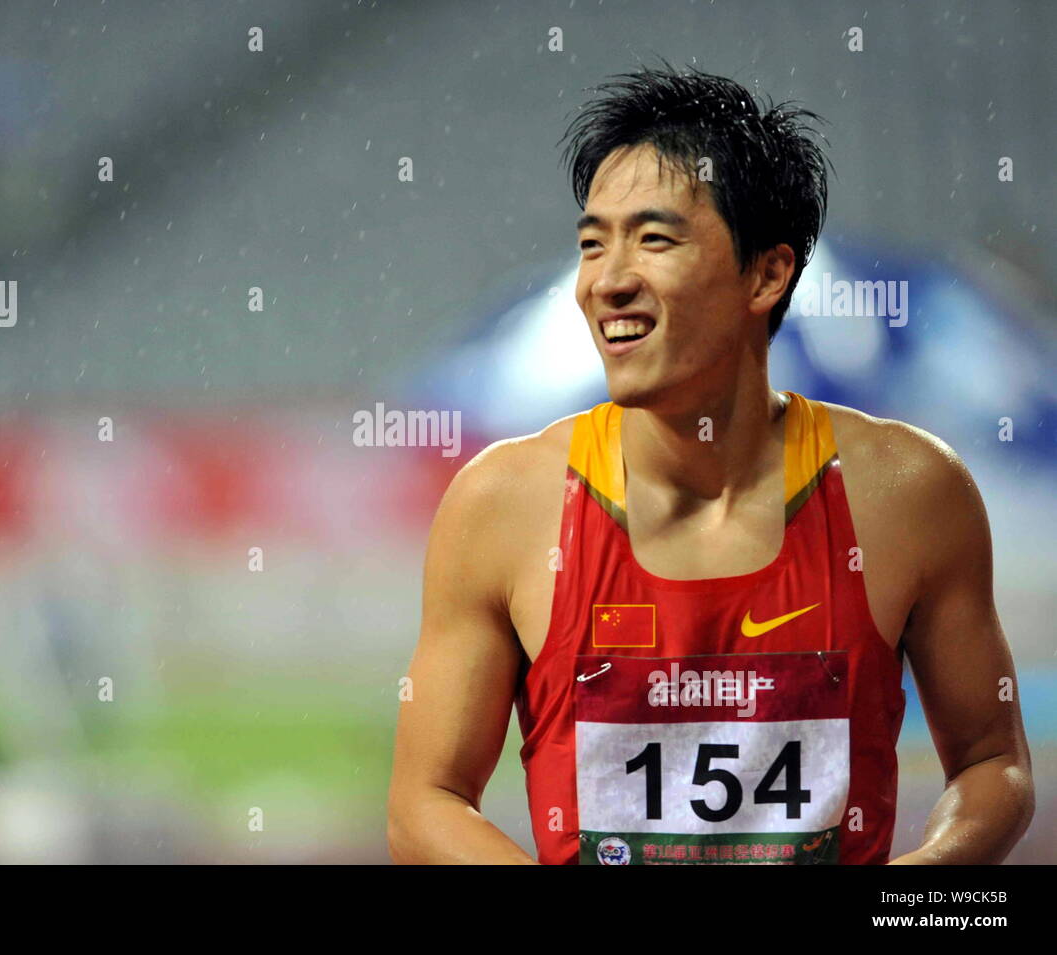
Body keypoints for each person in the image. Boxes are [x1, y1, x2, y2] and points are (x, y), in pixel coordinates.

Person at [386, 65, 1034, 865]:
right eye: (593, 243)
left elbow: (991, 762)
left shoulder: (908, 492)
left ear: (767, 273)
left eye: (653, 239)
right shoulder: (503, 504)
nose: (606, 281)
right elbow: (426, 801)